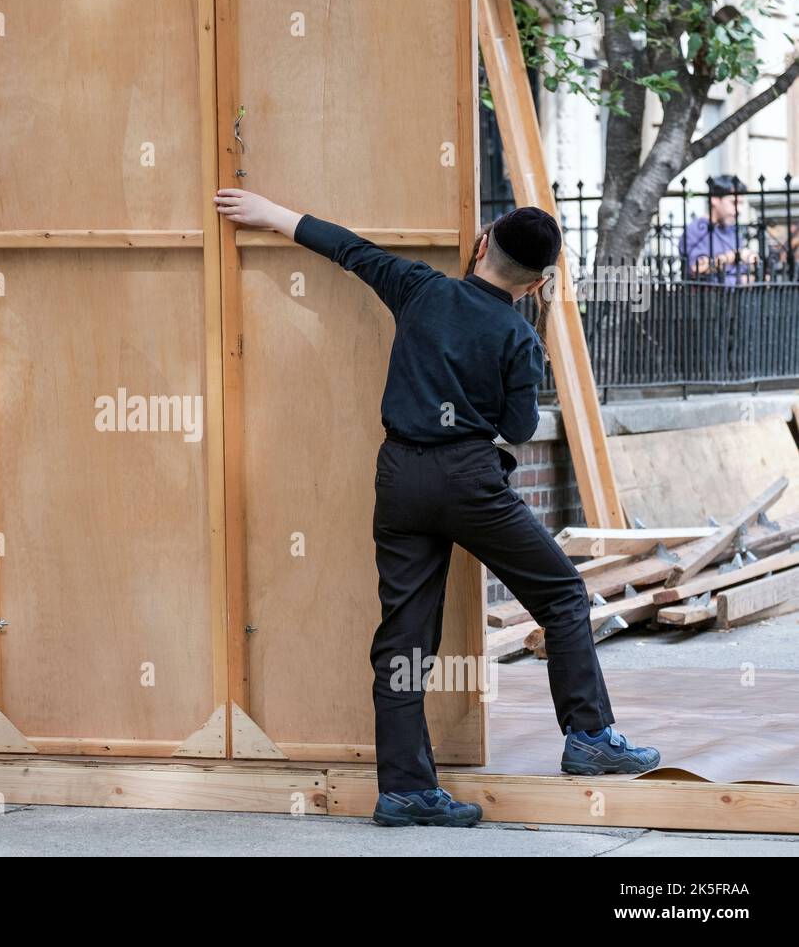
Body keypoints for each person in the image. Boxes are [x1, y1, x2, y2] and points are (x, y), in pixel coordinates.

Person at [213, 188, 661, 828]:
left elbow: (348, 248)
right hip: (470, 481)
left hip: (399, 477)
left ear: (482, 246)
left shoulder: (419, 288)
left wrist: (269, 213)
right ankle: (589, 737)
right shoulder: (517, 332)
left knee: (404, 638)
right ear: (538, 283)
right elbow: (519, 426)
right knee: (562, 595)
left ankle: (404, 790)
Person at [680, 174, 756, 283]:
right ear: (714, 199)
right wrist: (735, 256)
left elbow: (742, 272)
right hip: (708, 299)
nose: (739, 209)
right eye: (733, 202)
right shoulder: (696, 230)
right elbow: (696, 268)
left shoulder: (731, 230)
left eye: (741, 204)